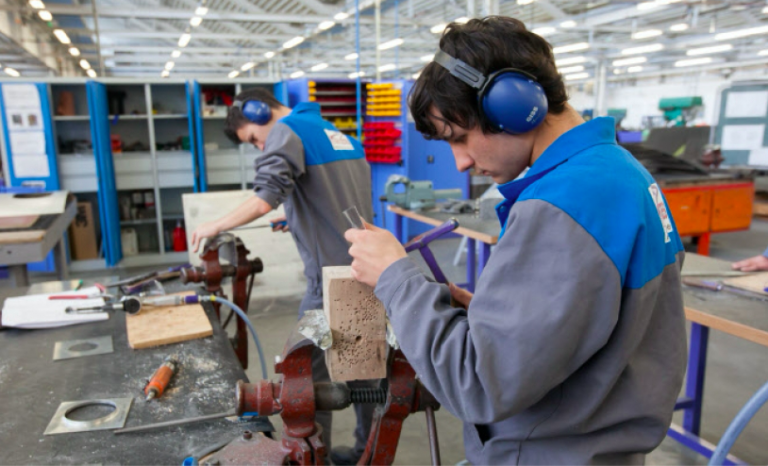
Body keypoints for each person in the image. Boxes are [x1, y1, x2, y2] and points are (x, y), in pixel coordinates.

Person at [344, 16, 688, 465]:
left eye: (461, 138)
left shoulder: (563, 203)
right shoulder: (619, 173)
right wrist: (495, 314)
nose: (461, 163)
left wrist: (395, 278)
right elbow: (598, 319)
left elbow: (482, 384)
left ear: (514, 105)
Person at [190, 88, 374, 464]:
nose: (261, 147)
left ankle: (314, 458)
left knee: (303, 377)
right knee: (365, 371)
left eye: (254, 139)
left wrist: (212, 225)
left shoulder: (284, 131)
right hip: (364, 271)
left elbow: (264, 196)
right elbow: (335, 199)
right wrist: (295, 215)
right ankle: (366, 455)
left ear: (258, 113)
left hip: (328, 284)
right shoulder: (334, 133)